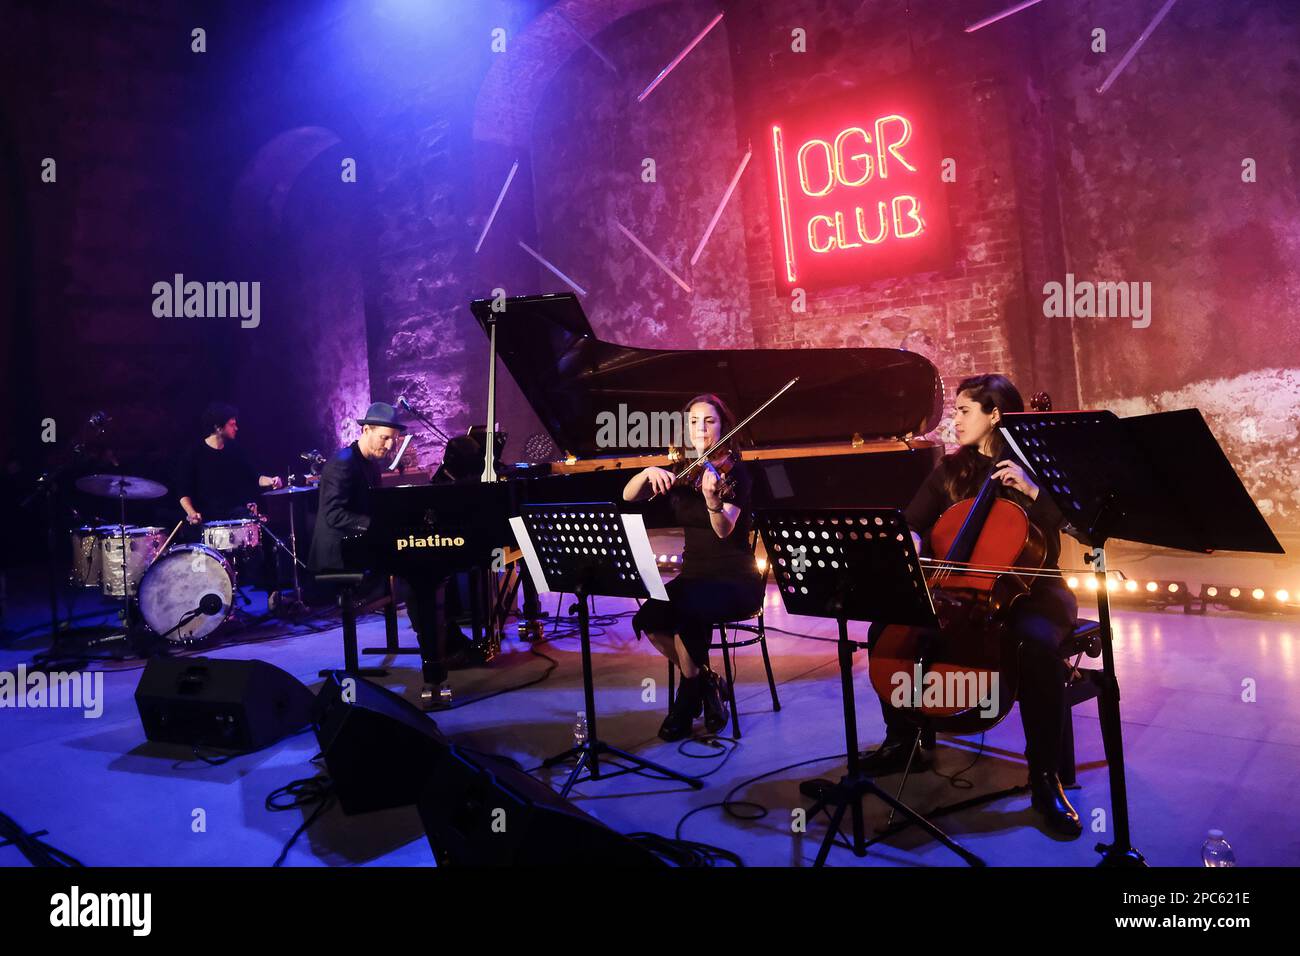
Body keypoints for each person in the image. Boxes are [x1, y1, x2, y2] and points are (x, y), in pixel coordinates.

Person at [861, 374, 1083, 837]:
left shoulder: (1033, 464)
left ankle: (1044, 776)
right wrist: (914, 539)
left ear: (995, 415)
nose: (954, 421)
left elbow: (1077, 524)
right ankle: (903, 740)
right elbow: (913, 523)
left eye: (964, 411)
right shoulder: (950, 469)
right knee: (885, 628)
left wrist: (1032, 491)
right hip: (957, 591)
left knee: (1035, 646)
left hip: (1032, 592)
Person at [307, 402, 477, 707]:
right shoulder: (343, 463)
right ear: (365, 430)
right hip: (339, 552)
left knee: (422, 564)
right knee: (417, 573)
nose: (390, 445)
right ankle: (435, 650)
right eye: (384, 438)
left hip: (358, 543)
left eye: (393, 440)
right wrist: (378, 526)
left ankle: (440, 642)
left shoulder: (368, 463)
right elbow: (334, 515)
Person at [623, 394, 765, 741]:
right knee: (650, 620)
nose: (701, 429)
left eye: (709, 421)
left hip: (735, 579)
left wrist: (713, 501)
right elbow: (629, 497)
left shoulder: (737, 473)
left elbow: (723, 531)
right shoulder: (684, 471)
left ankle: (686, 701)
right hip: (694, 575)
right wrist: (647, 472)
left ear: (723, 426)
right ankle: (706, 681)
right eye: (693, 422)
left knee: (686, 614)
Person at [176, 402, 282, 525]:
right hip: (207, 520)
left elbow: (254, 477)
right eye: (232, 425)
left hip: (233, 516)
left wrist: (271, 480)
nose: (236, 428)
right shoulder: (194, 453)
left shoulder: (235, 450)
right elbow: (184, 491)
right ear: (218, 427)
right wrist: (192, 513)